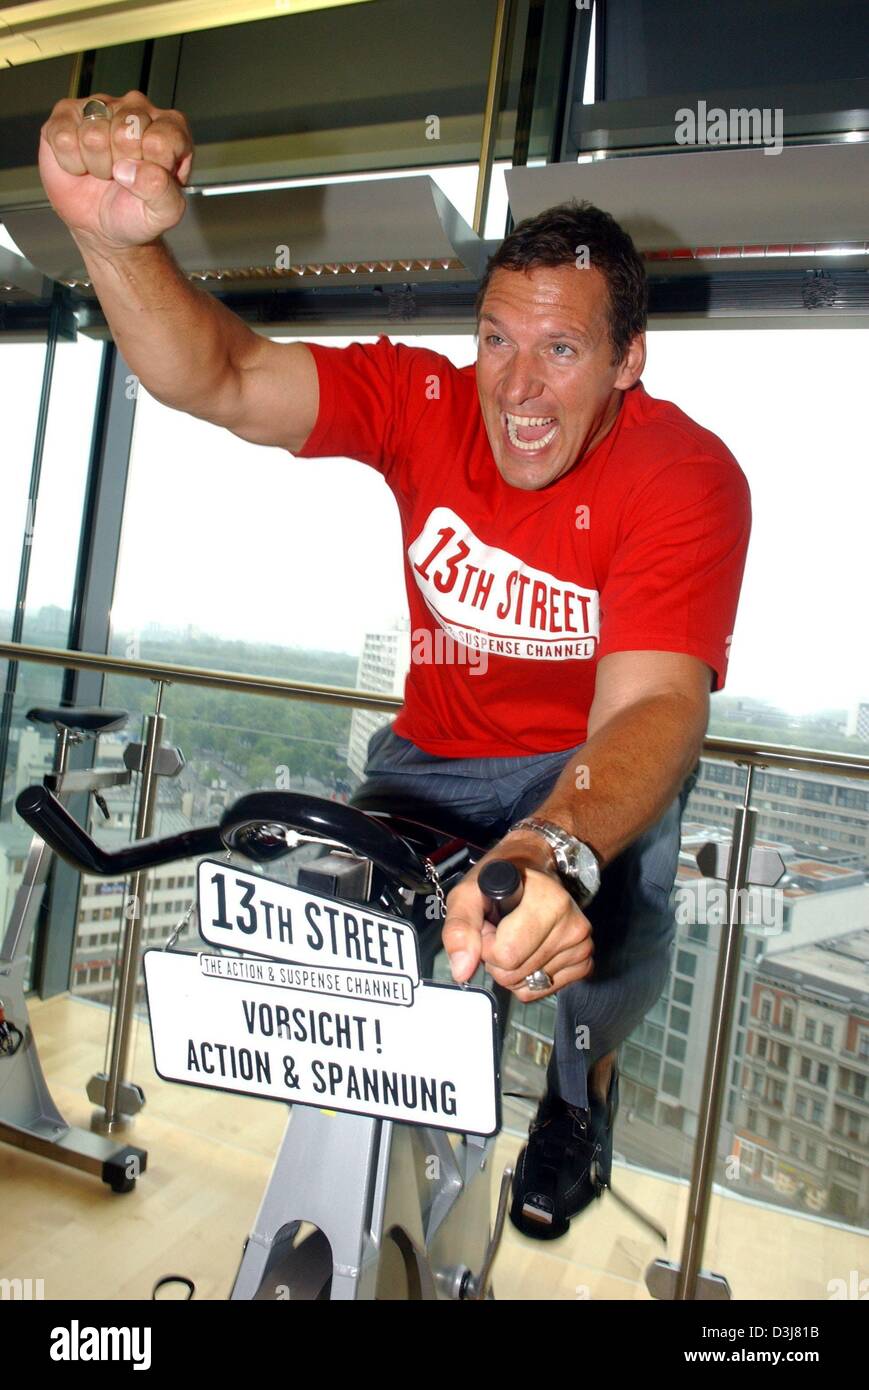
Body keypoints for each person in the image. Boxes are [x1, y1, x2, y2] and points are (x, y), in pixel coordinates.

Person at [38, 91, 752, 1240]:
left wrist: (551, 843)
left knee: (614, 918)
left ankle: (581, 1093)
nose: (516, 390)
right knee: (388, 938)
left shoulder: (682, 476)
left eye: (560, 349)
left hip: (579, 756)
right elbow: (214, 373)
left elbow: (658, 699)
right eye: (496, 340)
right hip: (435, 753)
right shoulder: (421, 402)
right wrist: (112, 242)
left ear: (627, 359)